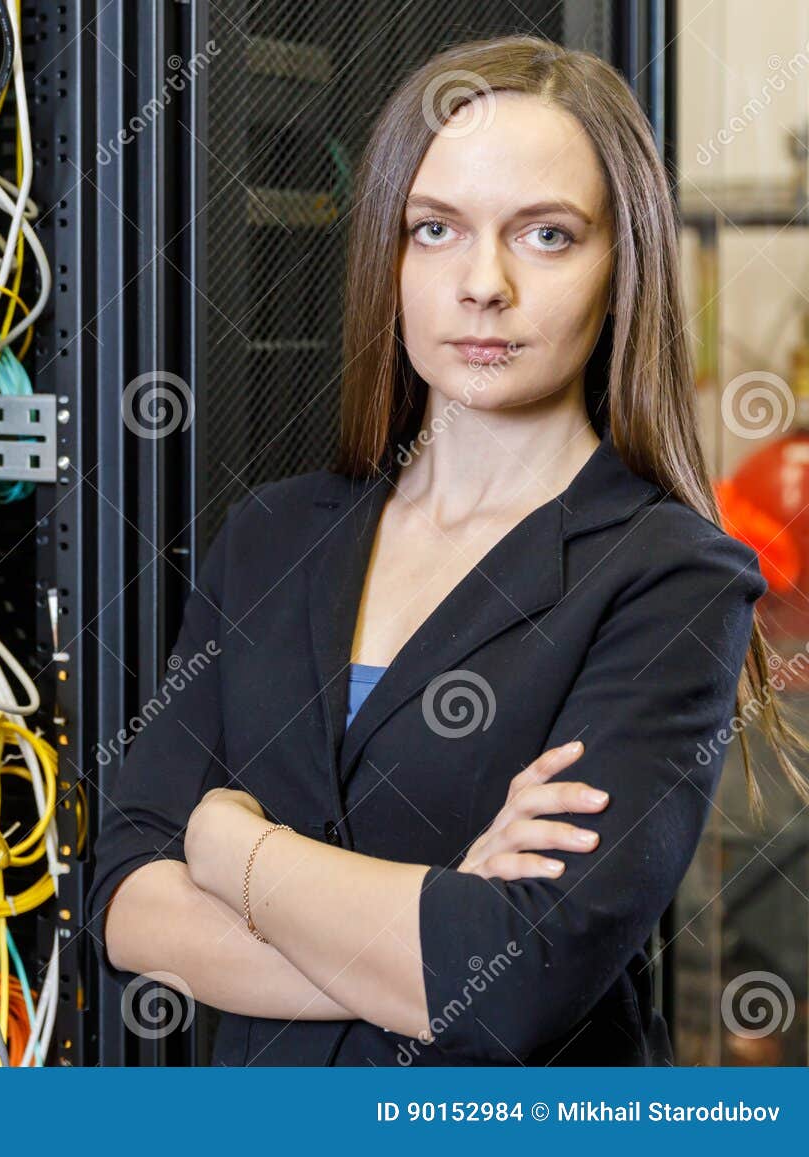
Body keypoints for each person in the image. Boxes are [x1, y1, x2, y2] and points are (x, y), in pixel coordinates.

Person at [88, 34, 809, 1066]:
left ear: (622, 265)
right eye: (434, 229)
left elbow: (520, 983)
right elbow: (122, 897)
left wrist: (228, 845)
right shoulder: (273, 538)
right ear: (387, 251)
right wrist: (429, 934)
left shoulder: (672, 577)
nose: (483, 283)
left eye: (547, 236)